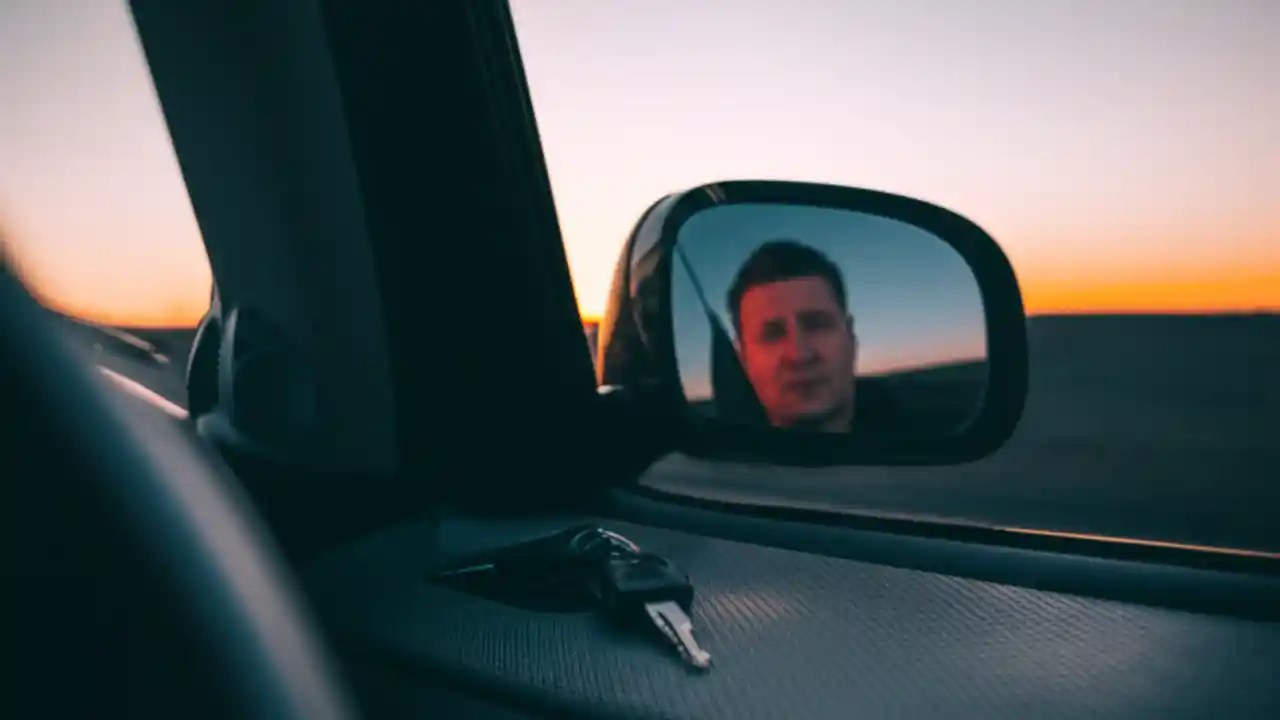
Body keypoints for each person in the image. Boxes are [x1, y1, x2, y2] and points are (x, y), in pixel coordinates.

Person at [726, 239, 860, 432]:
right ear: (743, 358)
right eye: (772, 335)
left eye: (817, 325)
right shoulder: (712, 455)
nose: (799, 355)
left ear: (851, 336)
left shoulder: (917, 441)